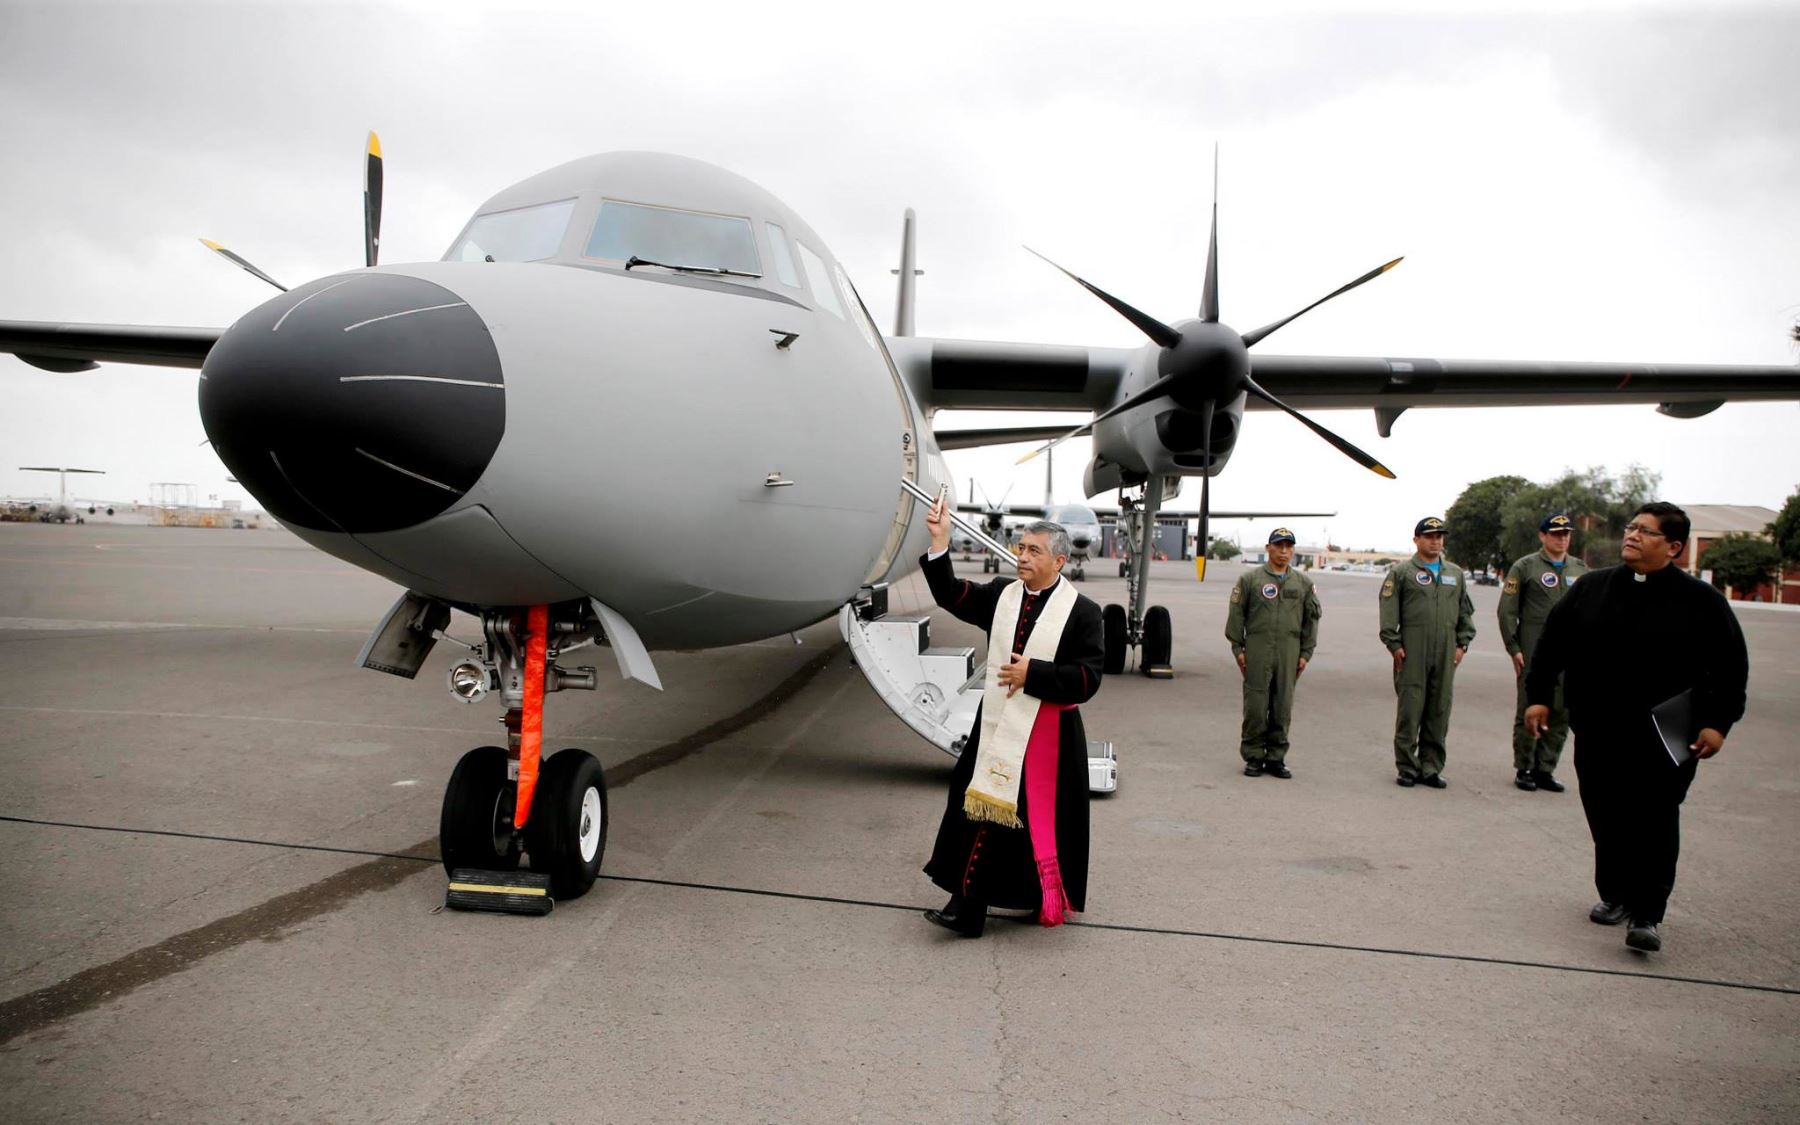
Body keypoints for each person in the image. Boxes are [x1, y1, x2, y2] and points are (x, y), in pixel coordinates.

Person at [1525, 502, 1748, 954]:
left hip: (1667, 731)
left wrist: (1718, 724)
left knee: (1656, 817)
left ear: (1674, 547)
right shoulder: (1592, 588)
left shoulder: (1703, 603)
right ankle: (1616, 893)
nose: (1631, 535)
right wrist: (1538, 695)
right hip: (1600, 725)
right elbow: (1552, 644)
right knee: (1604, 810)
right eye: (1631, 528)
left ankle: (1647, 913)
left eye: (1644, 531)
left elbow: (1730, 668)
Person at [918, 495, 1105, 938]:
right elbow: (951, 594)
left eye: (1033, 551)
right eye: (1020, 548)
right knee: (973, 804)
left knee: (1024, 822)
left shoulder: (1083, 612)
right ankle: (967, 905)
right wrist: (941, 541)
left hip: (1049, 737)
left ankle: (987, 904)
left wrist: (1033, 674)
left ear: (1059, 560)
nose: (1021, 556)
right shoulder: (1002, 595)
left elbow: (1087, 679)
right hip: (997, 725)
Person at [1379, 516, 1475, 788]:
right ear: (1416, 540)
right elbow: (1388, 614)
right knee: (1410, 710)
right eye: (1430, 536)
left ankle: (1431, 767)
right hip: (1412, 652)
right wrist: (1394, 644)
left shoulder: (1455, 574)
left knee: (1439, 710)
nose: (1435, 541)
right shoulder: (1401, 573)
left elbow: (1465, 612)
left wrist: (1462, 644)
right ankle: (1407, 768)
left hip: (1445, 652)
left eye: (1439, 536)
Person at [1497, 513, 1589, 793]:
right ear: (1542, 536)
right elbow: (1507, 610)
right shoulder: (1526, 567)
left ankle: (1545, 768)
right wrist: (1513, 648)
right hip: (1534, 652)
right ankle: (1524, 767)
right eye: (1555, 533)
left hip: (1570, 656)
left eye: (1566, 534)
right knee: (1530, 707)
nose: (1562, 538)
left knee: (1561, 710)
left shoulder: (1581, 569)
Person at [1225, 527, 1322, 779]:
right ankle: (1254, 756)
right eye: (1279, 545)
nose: (1283, 551)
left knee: (1282, 706)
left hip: (1289, 652)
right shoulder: (1250, 580)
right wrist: (1238, 648)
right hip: (1257, 649)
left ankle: (1276, 758)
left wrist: (1305, 653)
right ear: (1268, 548)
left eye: (1288, 546)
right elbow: (1236, 615)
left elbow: (1311, 620)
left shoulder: (1303, 583)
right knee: (1256, 706)